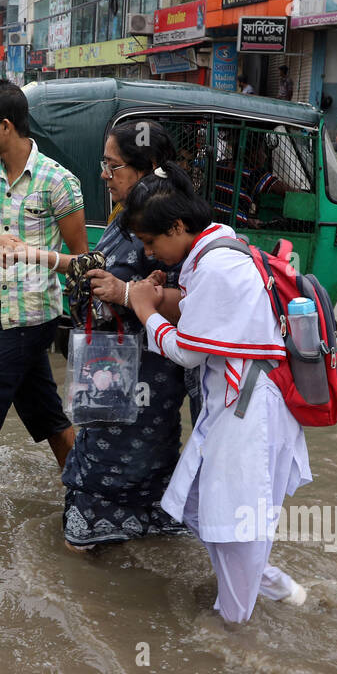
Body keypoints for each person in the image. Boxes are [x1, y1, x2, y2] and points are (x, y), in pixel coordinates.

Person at [125, 165, 311, 623]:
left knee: (236, 523)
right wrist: (159, 296)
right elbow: (194, 309)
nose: (150, 253)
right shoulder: (215, 250)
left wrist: (146, 310)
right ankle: (265, 588)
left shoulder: (218, 266)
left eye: (152, 242)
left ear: (177, 227)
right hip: (237, 404)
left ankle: (237, 633)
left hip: (249, 410)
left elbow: (187, 352)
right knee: (201, 505)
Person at [57, 121, 193, 552]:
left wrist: (125, 292)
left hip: (146, 381)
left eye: (112, 166)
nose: (104, 175)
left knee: (133, 467)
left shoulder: (172, 228)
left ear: (149, 168)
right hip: (108, 369)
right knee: (96, 452)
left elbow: (186, 300)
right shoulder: (123, 218)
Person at [0, 83, 88, 485]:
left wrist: (33, 255)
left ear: (5, 127)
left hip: (33, 316)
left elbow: (83, 263)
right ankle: (83, 484)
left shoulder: (57, 182)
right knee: (45, 411)